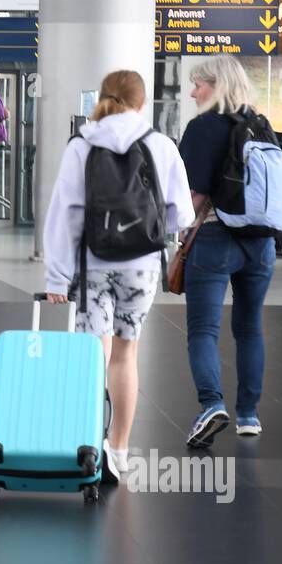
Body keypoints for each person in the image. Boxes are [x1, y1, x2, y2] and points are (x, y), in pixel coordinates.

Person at [44, 70, 194, 479]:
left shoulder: (81, 146)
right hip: (141, 266)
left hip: (93, 264)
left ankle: (88, 441)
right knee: (127, 353)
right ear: (144, 103)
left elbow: (66, 214)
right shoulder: (161, 145)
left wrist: (57, 276)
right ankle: (120, 450)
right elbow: (183, 213)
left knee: (94, 352)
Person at [177, 55, 276, 449]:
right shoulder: (261, 124)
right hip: (261, 242)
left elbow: (194, 193)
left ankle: (211, 405)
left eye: (198, 84)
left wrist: (176, 227)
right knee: (250, 326)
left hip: (216, 238)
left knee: (203, 329)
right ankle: (248, 415)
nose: (192, 91)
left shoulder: (203, 127)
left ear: (215, 85)